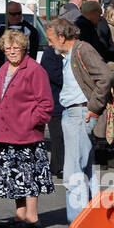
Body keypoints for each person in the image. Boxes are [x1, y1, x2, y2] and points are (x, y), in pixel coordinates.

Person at [46, 17, 114, 228]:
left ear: (61, 37)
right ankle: (94, 224)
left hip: (79, 113)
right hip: (76, 113)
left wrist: (93, 108)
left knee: (73, 173)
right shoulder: (72, 52)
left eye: (50, 39)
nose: (49, 44)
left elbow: (105, 76)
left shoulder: (82, 50)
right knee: (85, 171)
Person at [0, 29, 53, 228]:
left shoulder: (34, 70)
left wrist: (30, 122)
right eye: (8, 48)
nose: (12, 52)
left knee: (28, 176)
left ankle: (32, 218)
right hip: (5, 132)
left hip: (26, 135)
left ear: (24, 48)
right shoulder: (4, 69)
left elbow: (46, 104)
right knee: (12, 175)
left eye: (16, 48)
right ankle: (20, 214)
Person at [39, 41, 64, 177]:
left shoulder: (64, 52)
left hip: (63, 101)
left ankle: (58, 165)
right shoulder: (50, 53)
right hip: (55, 100)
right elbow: (55, 76)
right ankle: (57, 167)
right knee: (58, 136)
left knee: (63, 136)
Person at [0, 1, 40, 69]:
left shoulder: (30, 30)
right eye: (13, 14)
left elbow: (32, 54)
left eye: (19, 13)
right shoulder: (0, 30)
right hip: (3, 70)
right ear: (7, 14)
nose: (17, 16)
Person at [77, 0, 114, 64]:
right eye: (99, 14)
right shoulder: (81, 27)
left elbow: (109, 42)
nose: (100, 18)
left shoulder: (101, 22)